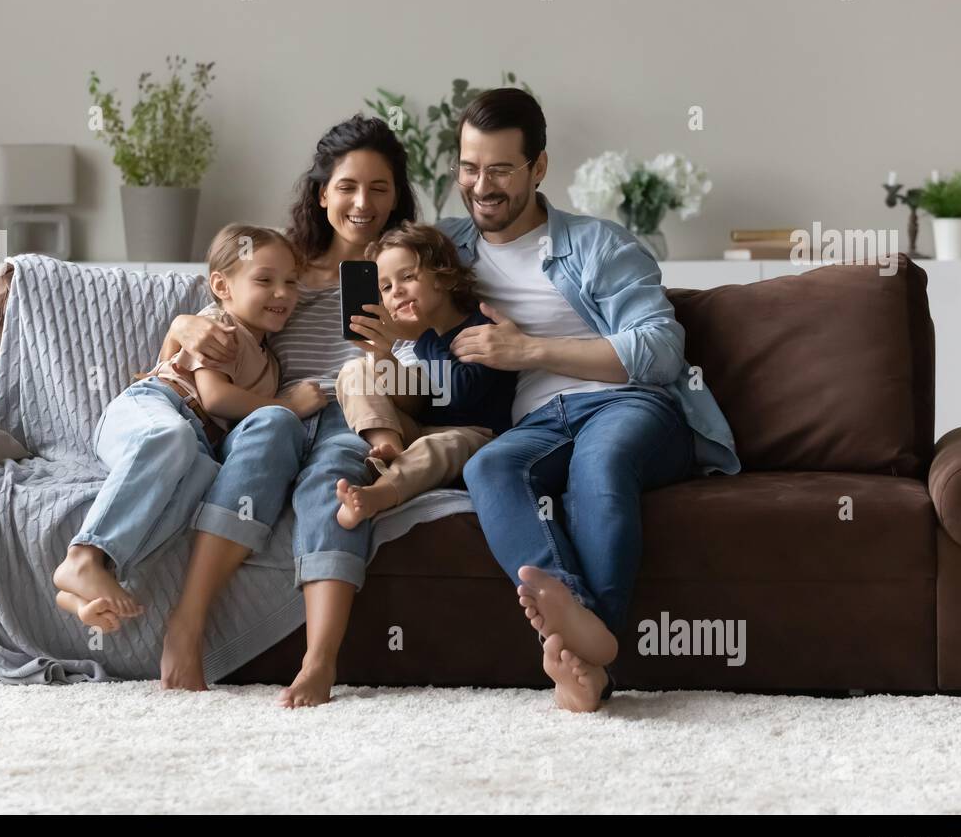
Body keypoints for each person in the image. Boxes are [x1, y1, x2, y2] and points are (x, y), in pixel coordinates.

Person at [440, 88, 741, 713]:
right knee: (488, 467)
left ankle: (591, 652)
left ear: (539, 167)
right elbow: (368, 256)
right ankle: (589, 655)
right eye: (469, 168)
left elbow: (659, 349)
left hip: (629, 405)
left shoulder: (598, 244)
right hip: (538, 423)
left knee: (599, 464)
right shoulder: (446, 253)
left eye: (500, 169)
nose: (481, 186)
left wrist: (529, 351)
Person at [156, 114, 419, 706]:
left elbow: (415, 397)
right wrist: (182, 325)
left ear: (396, 197)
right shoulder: (281, 265)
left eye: (379, 188)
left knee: (335, 479)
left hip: (352, 413)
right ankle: (187, 626)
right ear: (322, 193)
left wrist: (384, 356)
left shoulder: (402, 273)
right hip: (275, 408)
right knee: (270, 427)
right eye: (347, 186)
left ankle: (318, 662)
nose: (362, 203)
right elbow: (213, 322)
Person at [52, 224, 313, 633]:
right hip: (152, 406)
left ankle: (85, 585)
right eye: (265, 280)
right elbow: (215, 397)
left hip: (196, 441)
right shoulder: (217, 326)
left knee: (199, 479)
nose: (282, 293)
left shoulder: (270, 362)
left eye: (291, 282)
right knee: (171, 437)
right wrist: (289, 406)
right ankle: (82, 555)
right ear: (222, 286)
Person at [333, 220, 516, 527]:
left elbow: (459, 393)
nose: (396, 291)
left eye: (407, 277)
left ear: (444, 277)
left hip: (474, 436)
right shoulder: (416, 341)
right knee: (356, 368)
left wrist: (423, 337)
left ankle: (377, 495)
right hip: (420, 431)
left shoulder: (480, 328)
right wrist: (382, 354)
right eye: (386, 287)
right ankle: (389, 446)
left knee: (444, 444)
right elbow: (417, 405)